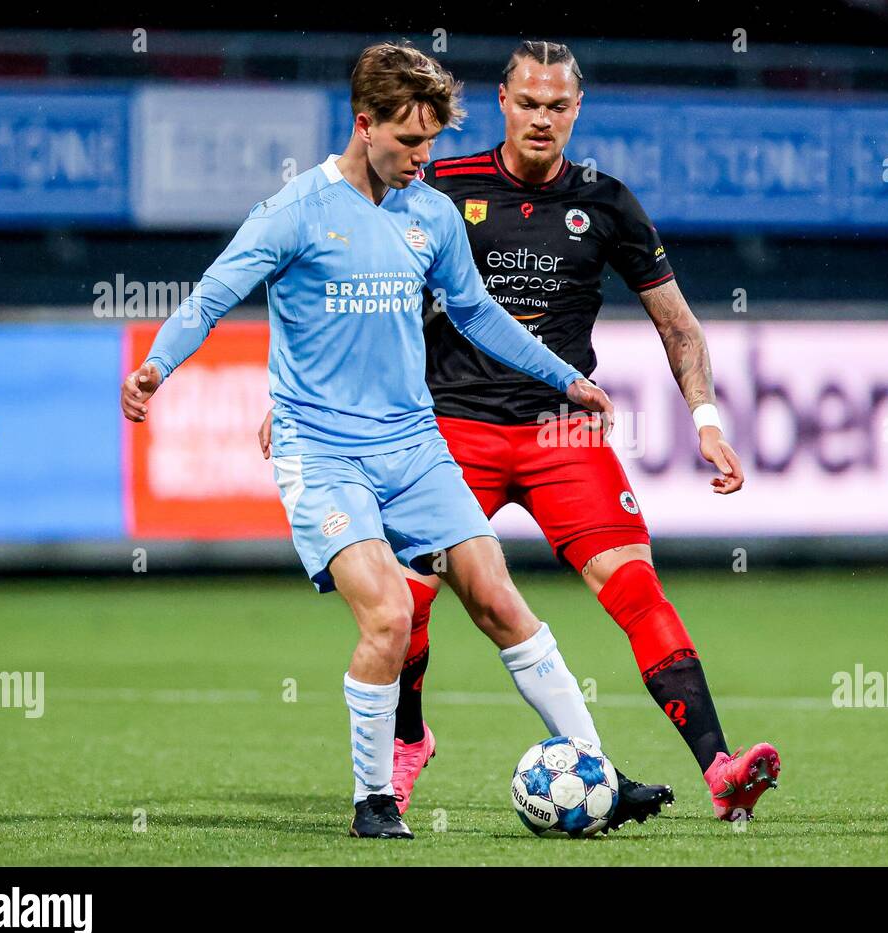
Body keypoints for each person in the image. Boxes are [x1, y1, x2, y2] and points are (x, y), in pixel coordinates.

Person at [124, 42, 671, 840]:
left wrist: (566, 378)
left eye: (434, 142)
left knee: (498, 598)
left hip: (415, 446)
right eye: (410, 142)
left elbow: (478, 313)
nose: (425, 158)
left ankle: (596, 769)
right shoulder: (296, 212)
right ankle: (373, 800)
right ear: (363, 123)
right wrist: (155, 367)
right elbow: (212, 295)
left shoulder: (429, 213)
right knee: (387, 615)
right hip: (324, 451)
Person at [261, 40, 779, 822]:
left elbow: (679, 327)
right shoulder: (436, 184)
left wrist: (705, 418)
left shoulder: (609, 203)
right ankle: (406, 746)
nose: (542, 118)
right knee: (409, 598)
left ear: (578, 110)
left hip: (560, 435)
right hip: (447, 429)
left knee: (635, 585)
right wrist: (304, 391)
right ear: (502, 103)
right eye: (528, 102)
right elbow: (348, 274)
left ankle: (720, 768)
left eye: (557, 105)